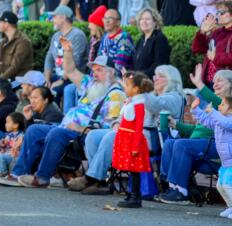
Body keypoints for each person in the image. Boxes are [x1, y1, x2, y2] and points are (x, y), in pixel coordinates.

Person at [0, 49, 126, 189]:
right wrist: (68, 51)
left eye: (99, 70)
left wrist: (79, 128)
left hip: (83, 134)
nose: (94, 74)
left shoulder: (116, 94)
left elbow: (109, 129)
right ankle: (17, 174)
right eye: (93, 70)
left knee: (56, 133)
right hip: (66, 128)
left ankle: (42, 178)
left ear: (111, 73)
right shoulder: (91, 84)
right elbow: (70, 71)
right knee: (34, 130)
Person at [72, 65, 187, 195]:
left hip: (153, 138)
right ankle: (100, 182)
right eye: (155, 75)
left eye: (161, 76)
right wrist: (116, 123)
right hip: (133, 132)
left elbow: (156, 105)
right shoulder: (150, 95)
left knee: (112, 137)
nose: (155, 78)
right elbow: (127, 113)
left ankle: (91, 178)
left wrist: (136, 89)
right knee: (93, 136)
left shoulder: (174, 97)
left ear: (172, 80)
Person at [157, 68, 228, 204]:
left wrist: (199, 84)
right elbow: (197, 130)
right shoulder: (213, 104)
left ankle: (181, 192)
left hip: (217, 146)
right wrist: (176, 124)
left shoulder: (227, 103)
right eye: (214, 81)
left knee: (182, 145)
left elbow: (217, 101)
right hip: (200, 145)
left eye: (220, 81)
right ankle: (170, 185)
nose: (215, 84)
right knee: (170, 143)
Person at [110, 71, 156, 208]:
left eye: (128, 85)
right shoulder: (132, 102)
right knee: (130, 168)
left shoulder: (139, 105)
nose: (125, 88)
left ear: (136, 89)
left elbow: (138, 126)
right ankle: (131, 194)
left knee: (134, 169)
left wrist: (135, 146)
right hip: (125, 138)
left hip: (132, 140)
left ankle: (136, 196)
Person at [186, 88, 232, 218]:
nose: (219, 106)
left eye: (223, 104)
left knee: (228, 185)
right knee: (220, 185)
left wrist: (212, 112)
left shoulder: (228, 120)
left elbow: (225, 123)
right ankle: (230, 207)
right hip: (225, 163)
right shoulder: (219, 119)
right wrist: (196, 109)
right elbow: (206, 120)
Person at [43, 6, 88, 98]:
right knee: (39, 88)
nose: (52, 20)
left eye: (54, 17)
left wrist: (62, 80)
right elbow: (49, 58)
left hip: (72, 78)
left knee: (52, 92)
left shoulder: (77, 36)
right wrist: (46, 79)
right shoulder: (56, 36)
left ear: (63, 17)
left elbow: (75, 63)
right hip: (57, 75)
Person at [191, 0, 232, 87]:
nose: (218, 15)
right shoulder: (217, 32)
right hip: (209, 80)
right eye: (217, 12)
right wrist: (202, 32)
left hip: (225, 83)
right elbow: (197, 49)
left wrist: (216, 57)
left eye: (222, 12)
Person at [0, 11, 34, 80]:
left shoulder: (23, 41)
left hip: (20, 81)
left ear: (6, 24)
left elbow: (14, 67)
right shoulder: (3, 42)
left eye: (0, 22)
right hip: (5, 79)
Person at [0, 112, 27, 180]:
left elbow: (17, 146)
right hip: (7, 153)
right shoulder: (8, 134)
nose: (5, 124)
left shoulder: (21, 135)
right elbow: (4, 146)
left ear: (15, 125)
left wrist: (9, 142)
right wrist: (2, 145)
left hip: (14, 155)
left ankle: (4, 173)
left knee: (0, 157)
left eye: (8, 122)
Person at [132, 8, 171, 74]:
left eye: (147, 19)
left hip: (152, 78)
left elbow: (159, 64)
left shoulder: (160, 39)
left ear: (155, 22)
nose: (144, 21)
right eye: (141, 19)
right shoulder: (141, 39)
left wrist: (140, 75)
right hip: (138, 78)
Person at [98, 7, 134, 74]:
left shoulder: (124, 38)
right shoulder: (105, 37)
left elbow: (120, 65)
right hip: (103, 75)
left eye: (110, 18)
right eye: (105, 18)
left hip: (119, 77)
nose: (107, 21)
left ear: (118, 22)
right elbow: (98, 59)